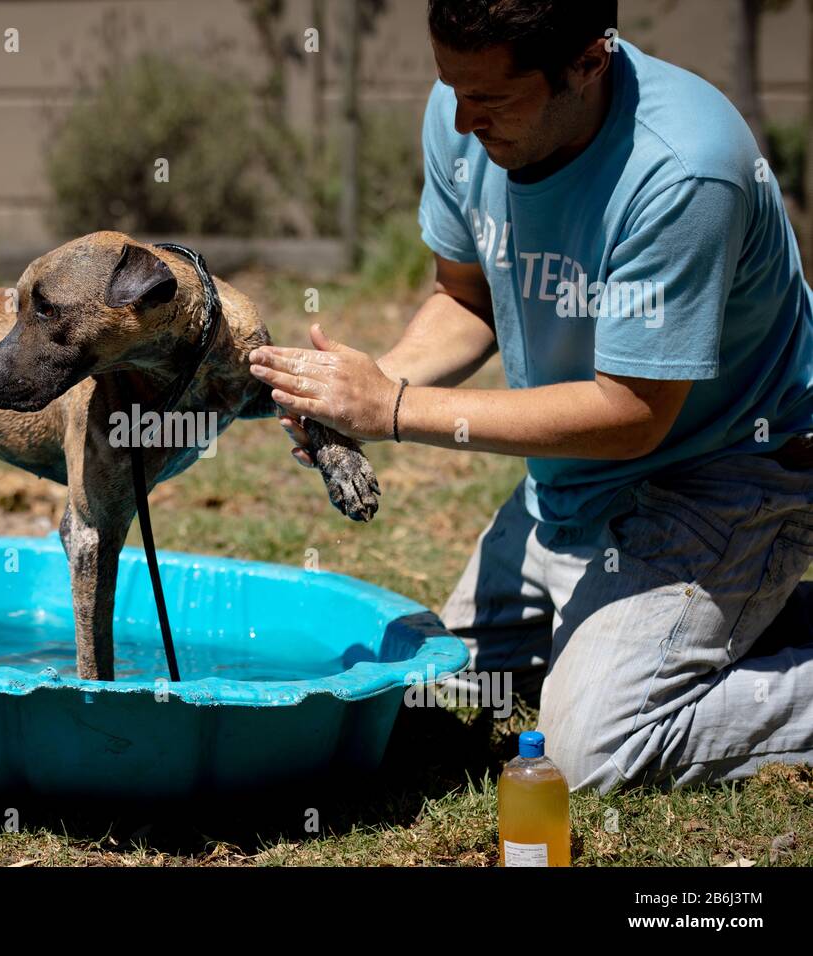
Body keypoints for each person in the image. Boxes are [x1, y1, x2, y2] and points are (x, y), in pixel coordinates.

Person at [248, 0, 813, 793]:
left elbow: (631, 416)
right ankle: (748, 618)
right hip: (575, 484)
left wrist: (398, 410)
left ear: (589, 62)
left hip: (726, 480)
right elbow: (467, 297)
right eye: (452, 89)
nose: (465, 120)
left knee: (584, 757)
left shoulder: (684, 169)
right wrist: (368, 391)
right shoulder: (463, 112)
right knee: (446, 695)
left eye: (494, 100)